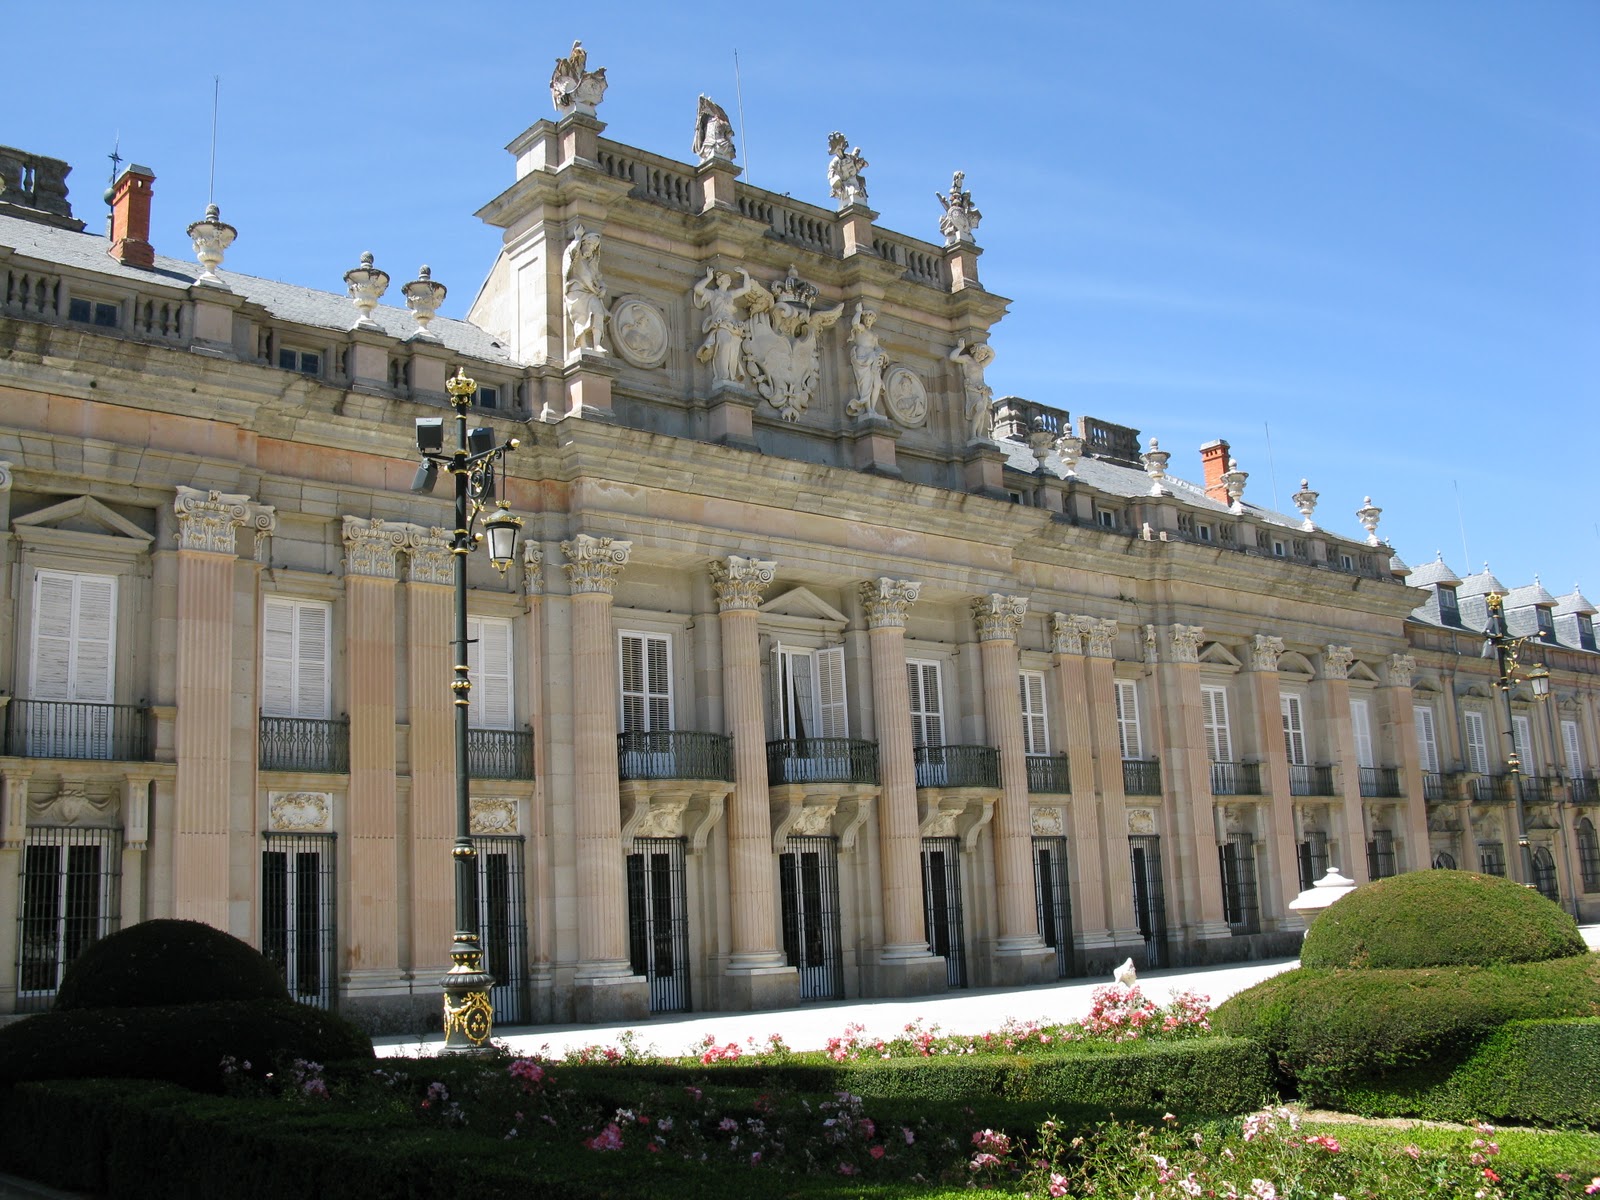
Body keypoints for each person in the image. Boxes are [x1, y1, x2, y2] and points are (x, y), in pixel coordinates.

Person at [691, 267, 751, 386]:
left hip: (732, 325)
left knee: (733, 351)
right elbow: (697, 289)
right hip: (721, 324)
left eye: (729, 278)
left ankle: (730, 376)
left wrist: (746, 273)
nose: (729, 280)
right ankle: (722, 376)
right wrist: (708, 278)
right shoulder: (713, 294)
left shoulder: (730, 294)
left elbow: (746, 289)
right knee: (725, 344)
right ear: (720, 281)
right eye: (726, 278)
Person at [563, 227, 607, 353]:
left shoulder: (592, 262)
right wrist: (577, 237)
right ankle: (582, 345)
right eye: (589, 244)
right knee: (581, 318)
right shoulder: (576, 258)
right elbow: (572, 251)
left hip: (590, 293)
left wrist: (603, 288)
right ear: (583, 243)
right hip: (576, 292)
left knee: (599, 313)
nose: (591, 248)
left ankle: (597, 344)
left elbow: (598, 278)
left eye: (594, 246)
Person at [847, 304, 889, 417]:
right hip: (863, 358)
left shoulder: (874, 335)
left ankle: (873, 409)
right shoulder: (861, 329)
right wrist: (858, 312)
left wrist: (883, 353)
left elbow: (877, 347)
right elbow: (855, 324)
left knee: (877, 383)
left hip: (873, 358)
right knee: (866, 383)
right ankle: (868, 408)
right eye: (866, 319)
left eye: (870, 320)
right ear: (864, 319)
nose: (868, 321)